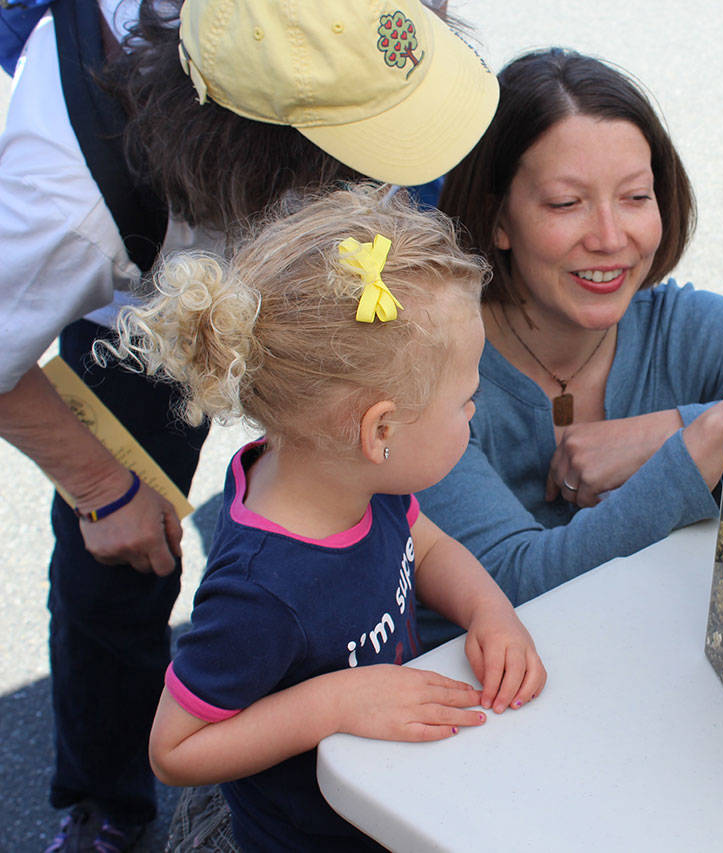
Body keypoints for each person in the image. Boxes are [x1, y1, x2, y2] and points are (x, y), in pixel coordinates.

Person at [0, 0, 497, 848]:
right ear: (274, 158)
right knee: (117, 564)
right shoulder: (62, 203)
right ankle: (105, 806)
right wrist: (101, 486)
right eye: (376, 146)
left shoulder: (373, 495)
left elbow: (420, 530)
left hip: (296, 266)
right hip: (144, 308)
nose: (407, 185)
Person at [99, 183, 545, 851]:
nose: (474, 413)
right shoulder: (263, 590)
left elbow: (422, 544)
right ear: (380, 429)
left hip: (390, 796)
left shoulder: (351, 476)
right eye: (466, 399)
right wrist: (335, 703)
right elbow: (176, 749)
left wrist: (489, 610)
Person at [415, 48, 723, 647]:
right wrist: (706, 440)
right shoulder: (426, 369)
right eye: (567, 204)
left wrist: (666, 428)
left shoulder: (682, 328)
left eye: (636, 198)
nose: (611, 238)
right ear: (497, 220)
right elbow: (517, 584)